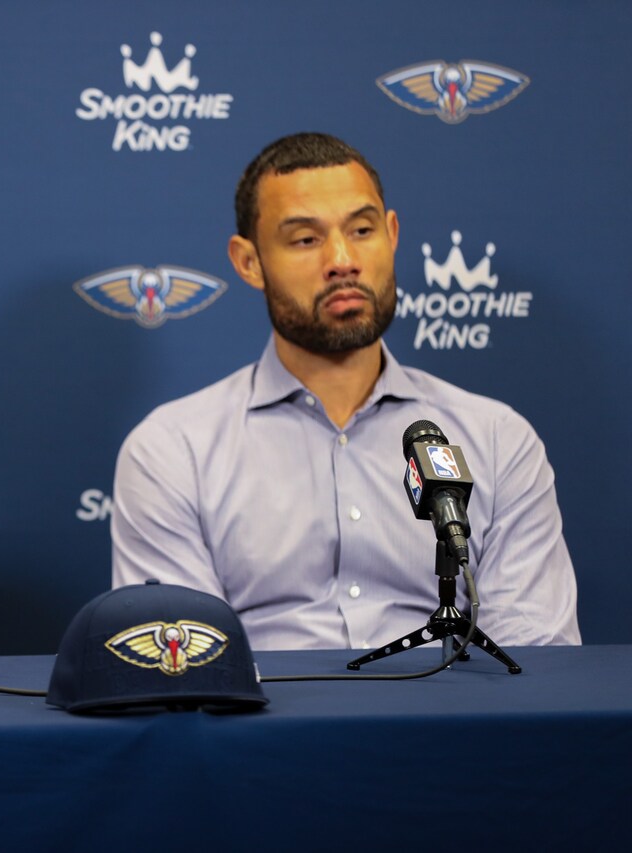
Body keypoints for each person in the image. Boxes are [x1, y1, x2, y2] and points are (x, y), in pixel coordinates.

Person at [111, 133, 580, 651]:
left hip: (449, 727)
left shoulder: (496, 439)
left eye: (362, 230)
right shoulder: (173, 450)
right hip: (261, 730)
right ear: (248, 262)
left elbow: (537, 661)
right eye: (306, 239)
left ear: (393, 234)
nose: (342, 260)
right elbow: (183, 663)